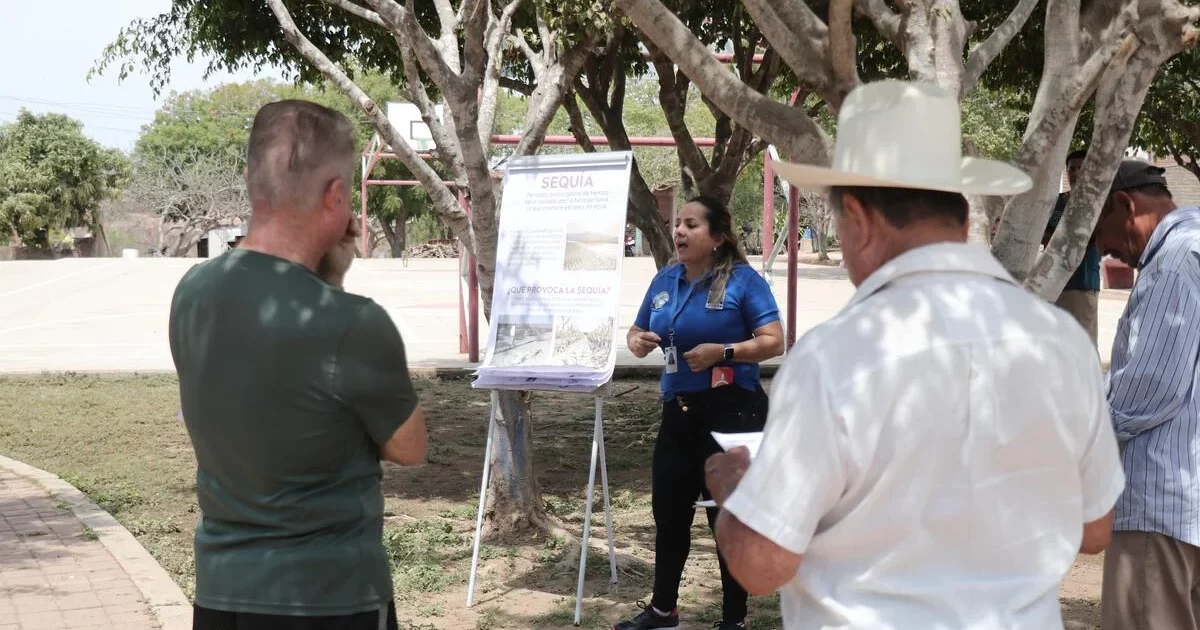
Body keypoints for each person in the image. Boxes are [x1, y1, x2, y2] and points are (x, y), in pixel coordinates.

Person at [702, 80, 1125, 629]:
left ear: (857, 217)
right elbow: (1096, 529)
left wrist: (734, 488)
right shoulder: (1061, 341)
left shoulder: (836, 358)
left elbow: (762, 564)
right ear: (965, 221)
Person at [169, 100, 428, 630]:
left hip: (221, 594)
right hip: (329, 598)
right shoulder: (353, 323)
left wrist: (323, 281)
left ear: (249, 180)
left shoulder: (192, 292)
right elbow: (410, 448)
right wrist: (333, 284)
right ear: (337, 197)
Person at [613, 195, 785, 630]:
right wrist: (636, 341)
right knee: (669, 513)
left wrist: (724, 352)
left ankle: (734, 619)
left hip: (733, 414)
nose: (679, 232)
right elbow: (637, 329)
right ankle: (663, 609)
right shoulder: (666, 279)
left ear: (718, 237)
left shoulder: (744, 282)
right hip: (679, 412)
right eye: (678, 224)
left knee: (727, 520)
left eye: (691, 225)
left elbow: (773, 341)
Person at [1092, 160, 1200, 629]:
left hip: (1161, 507)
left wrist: (1073, 426)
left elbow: (1148, 390)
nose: (1103, 249)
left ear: (1124, 205)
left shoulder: (1172, 264)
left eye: (1101, 233)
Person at [1044, 149, 1102, 345]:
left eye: (1081, 168)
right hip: (1053, 284)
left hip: (1082, 284)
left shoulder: (1096, 204)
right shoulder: (1058, 202)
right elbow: (1044, 234)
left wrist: (1061, 237)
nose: (1076, 173)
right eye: (1072, 169)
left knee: (1083, 343)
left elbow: (1091, 238)